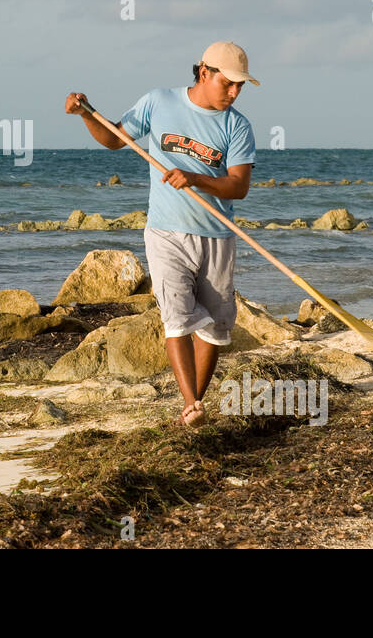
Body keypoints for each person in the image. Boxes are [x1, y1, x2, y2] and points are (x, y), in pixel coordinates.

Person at [65, 41, 258, 427]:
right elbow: (115, 139)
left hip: (217, 236)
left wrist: (196, 178)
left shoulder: (237, 125)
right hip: (166, 232)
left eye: (240, 86)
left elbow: (237, 187)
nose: (235, 93)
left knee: (216, 330)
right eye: (229, 83)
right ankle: (190, 404)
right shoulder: (159, 102)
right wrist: (85, 114)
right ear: (205, 73)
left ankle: (194, 404)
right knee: (177, 318)